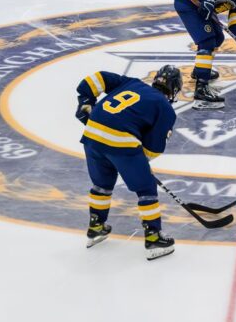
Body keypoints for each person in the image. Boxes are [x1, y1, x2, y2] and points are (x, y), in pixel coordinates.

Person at [75, 65, 182, 260]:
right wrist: (138, 165)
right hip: (120, 143)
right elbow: (153, 149)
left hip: (91, 135)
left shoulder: (132, 83)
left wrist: (85, 101)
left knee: (101, 185)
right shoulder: (165, 108)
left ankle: (96, 227)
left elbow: (97, 77)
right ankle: (153, 238)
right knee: (146, 188)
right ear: (174, 89)